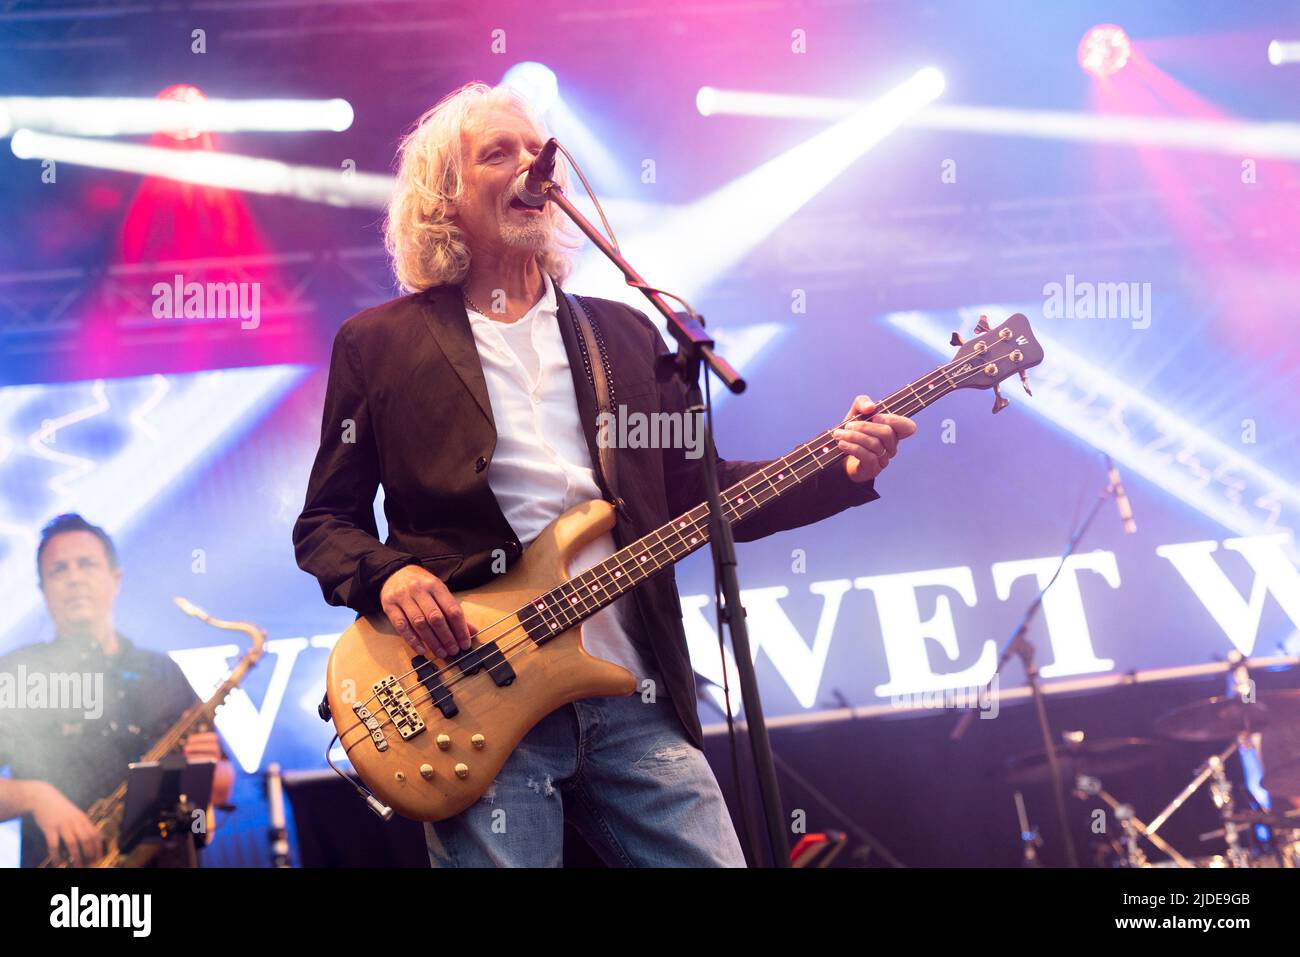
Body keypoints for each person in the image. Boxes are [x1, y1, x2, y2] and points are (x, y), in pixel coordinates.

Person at [293, 81, 915, 867]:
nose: (533, 163)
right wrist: (387, 577)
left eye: (537, 148)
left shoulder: (623, 331)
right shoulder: (380, 344)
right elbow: (326, 524)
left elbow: (700, 495)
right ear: (443, 198)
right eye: (499, 152)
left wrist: (841, 468)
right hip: (472, 696)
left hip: (631, 691)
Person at [0, 514, 235, 866]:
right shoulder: (17, 673)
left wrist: (209, 770)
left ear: (116, 579)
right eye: (59, 570)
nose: (75, 578)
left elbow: (222, 785)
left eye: (87, 564)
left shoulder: (162, 670)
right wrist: (35, 796)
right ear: (43, 589)